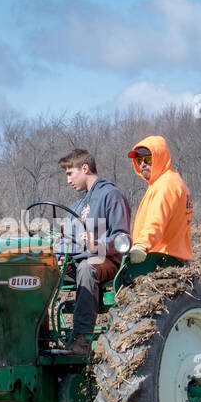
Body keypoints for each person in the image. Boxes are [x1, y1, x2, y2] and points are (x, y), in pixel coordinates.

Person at [58, 149, 131, 356]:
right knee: (41, 269)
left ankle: (82, 340)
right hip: (79, 259)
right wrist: (60, 252)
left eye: (70, 173)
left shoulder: (111, 195)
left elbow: (122, 239)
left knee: (86, 268)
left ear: (85, 168)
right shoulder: (78, 204)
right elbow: (69, 239)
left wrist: (95, 244)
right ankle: (40, 335)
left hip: (105, 261)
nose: (68, 180)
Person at [127, 136, 193, 264]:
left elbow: (156, 221)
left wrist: (142, 245)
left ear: (160, 157)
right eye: (139, 160)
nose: (142, 164)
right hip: (169, 258)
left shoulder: (166, 185)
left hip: (162, 261)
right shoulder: (167, 182)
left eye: (147, 159)